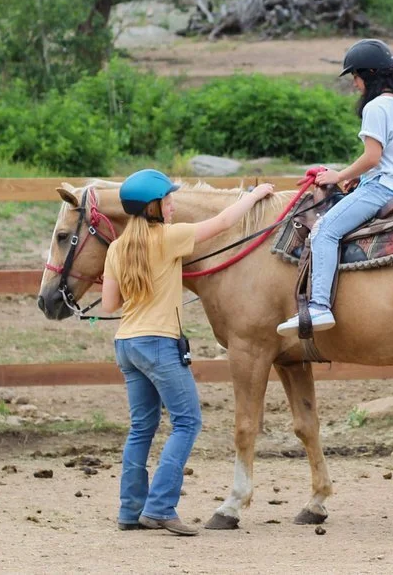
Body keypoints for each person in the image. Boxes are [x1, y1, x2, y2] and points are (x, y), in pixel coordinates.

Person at [102, 169, 274, 534]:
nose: (172, 204)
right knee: (188, 422)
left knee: (141, 429)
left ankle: (130, 510)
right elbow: (224, 221)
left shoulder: (117, 248)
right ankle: (161, 507)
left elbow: (110, 302)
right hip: (159, 343)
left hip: (126, 344)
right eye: (167, 200)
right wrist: (255, 196)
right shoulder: (170, 237)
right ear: (153, 208)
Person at [277, 38, 393, 335]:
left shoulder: (377, 107)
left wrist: (338, 175)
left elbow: (373, 156)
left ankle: (318, 307)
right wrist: (359, 176)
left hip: (385, 188)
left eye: (355, 76)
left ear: (367, 75)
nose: (354, 84)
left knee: (324, 230)